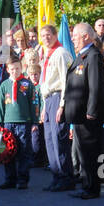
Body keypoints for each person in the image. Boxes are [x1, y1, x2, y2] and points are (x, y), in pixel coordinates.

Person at [62, 22, 104, 200]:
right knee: (83, 153)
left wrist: (92, 110)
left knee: (90, 152)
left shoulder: (93, 55)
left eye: (75, 36)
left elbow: (95, 86)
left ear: (86, 36)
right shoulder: (82, 56)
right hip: (79, 114)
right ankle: (86, 185)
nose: (72, 39)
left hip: (88, 115)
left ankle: (92, 188)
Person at [38, 25, 74, 192]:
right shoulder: (47, 54)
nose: (45, 38)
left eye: (48, 35)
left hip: (59, 96)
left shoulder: (60, 53)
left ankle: (66, 177)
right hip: (49, 98)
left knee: (59, 139)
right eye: (43, 35)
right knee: (50, 140)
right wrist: (45, 105)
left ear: (54, 35)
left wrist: (62, 105)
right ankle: (56, 175)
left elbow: (66, 80)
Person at [0, 57, 37, 190]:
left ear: (21, 68)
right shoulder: (4, 85)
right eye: (12, 69)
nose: (15, 71)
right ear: (7, 70)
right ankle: (10, 179)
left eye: (17, 68)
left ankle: (22, 179)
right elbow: (0, 105)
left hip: (24, 122)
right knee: (8, 151)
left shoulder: (28, 84)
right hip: (8, 124)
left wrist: (34, 121)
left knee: (24, 151)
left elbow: (34, 103)